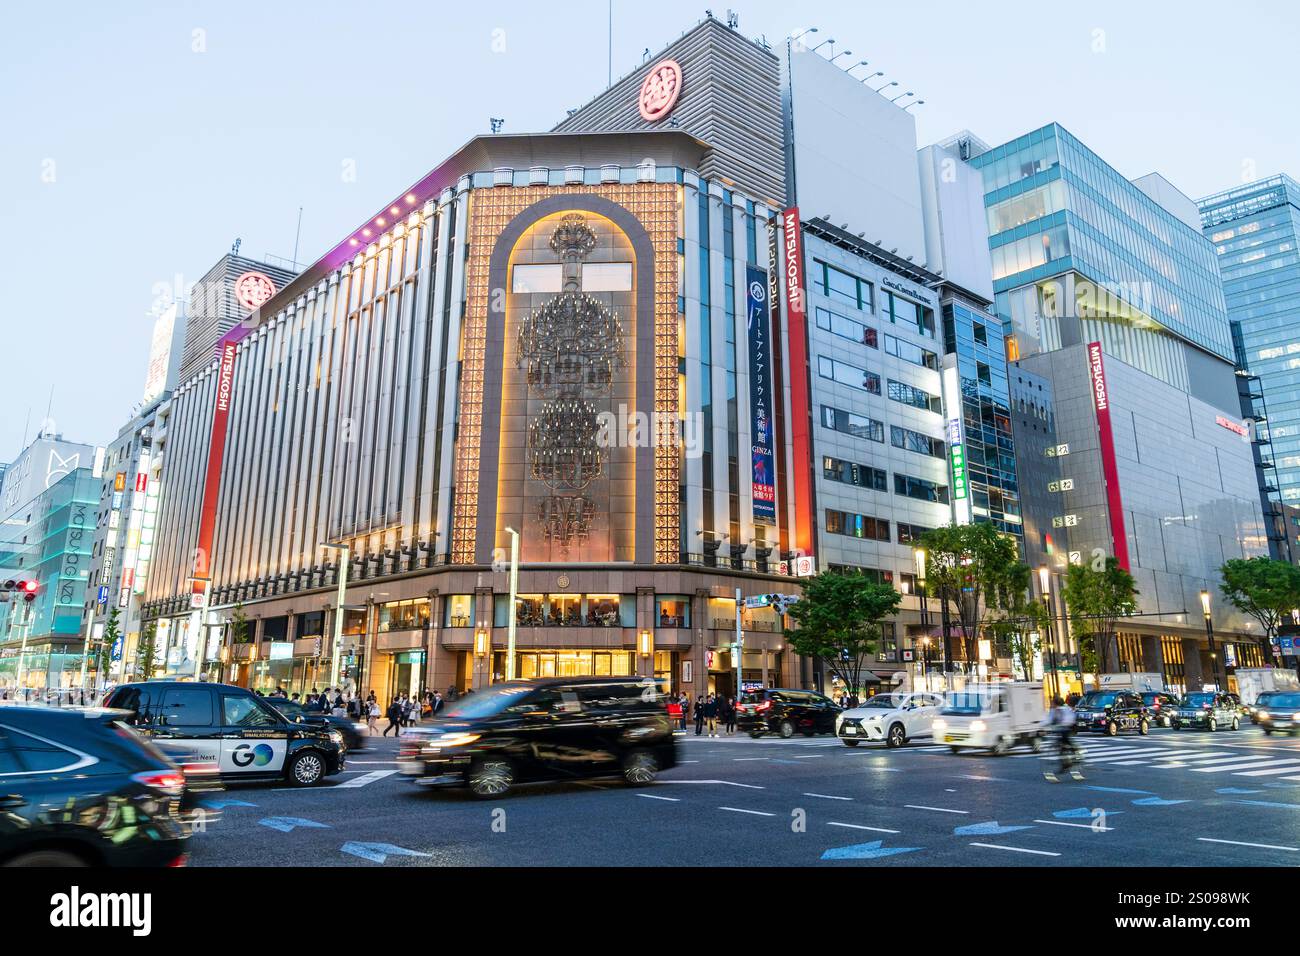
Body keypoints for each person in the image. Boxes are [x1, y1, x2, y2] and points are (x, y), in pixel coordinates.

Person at [1042, 696, 1081, 780]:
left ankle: (1075, 756)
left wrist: (1063, 724)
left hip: (1068, 729)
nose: (1051, 705)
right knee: (1059, 746)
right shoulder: (1053, 711)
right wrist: (1041, 725)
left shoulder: (1065, 709)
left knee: (1066, 742)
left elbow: (1070, 719)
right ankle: (1065, 764)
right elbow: (1049, 720)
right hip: (1059, 730)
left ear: (1056, 703)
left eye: (1052, 703)